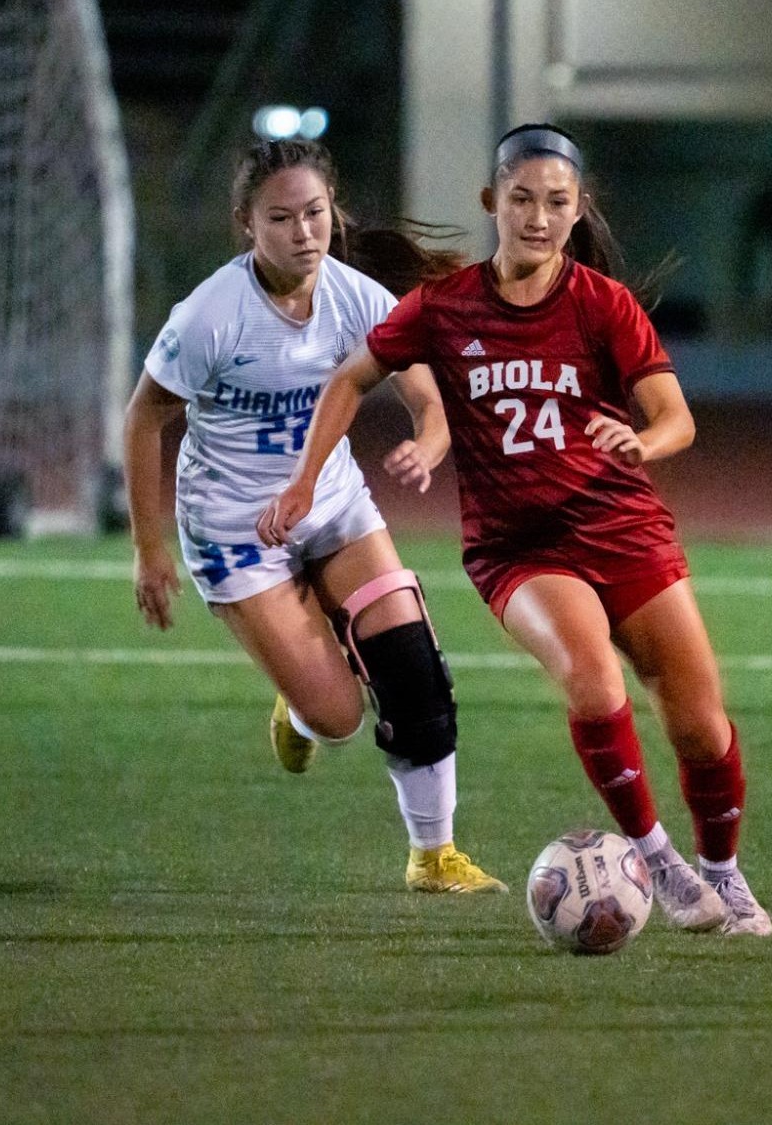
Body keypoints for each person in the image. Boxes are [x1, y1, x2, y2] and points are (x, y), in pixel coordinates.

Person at [260, 123, 771, 937]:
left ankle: (723, 870)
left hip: (624, 528)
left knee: (702, 727)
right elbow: (350, 378)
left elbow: (676, 418)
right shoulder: (445, 306)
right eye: (523, 199)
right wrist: (302, 479)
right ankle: (660, 861)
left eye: (556, 203)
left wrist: (641, 440)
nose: (538, 217)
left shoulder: (605, 306)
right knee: (594, 680)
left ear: (578, 209)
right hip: (520, 551)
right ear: (492, 202)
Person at [124, 139, 505, 894]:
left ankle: (433, 856)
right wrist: (149, 547)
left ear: (334, 211)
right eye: (281, 217)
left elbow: (431, 403)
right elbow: (143, 421)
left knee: (412, 665)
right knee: (336, 716)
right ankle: (301, 700)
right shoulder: (210, 316)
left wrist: (428, 447)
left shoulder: (356, 298)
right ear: (246, 224)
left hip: (332, 506)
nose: (303, 232)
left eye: (315, 213)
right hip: (234, 530)